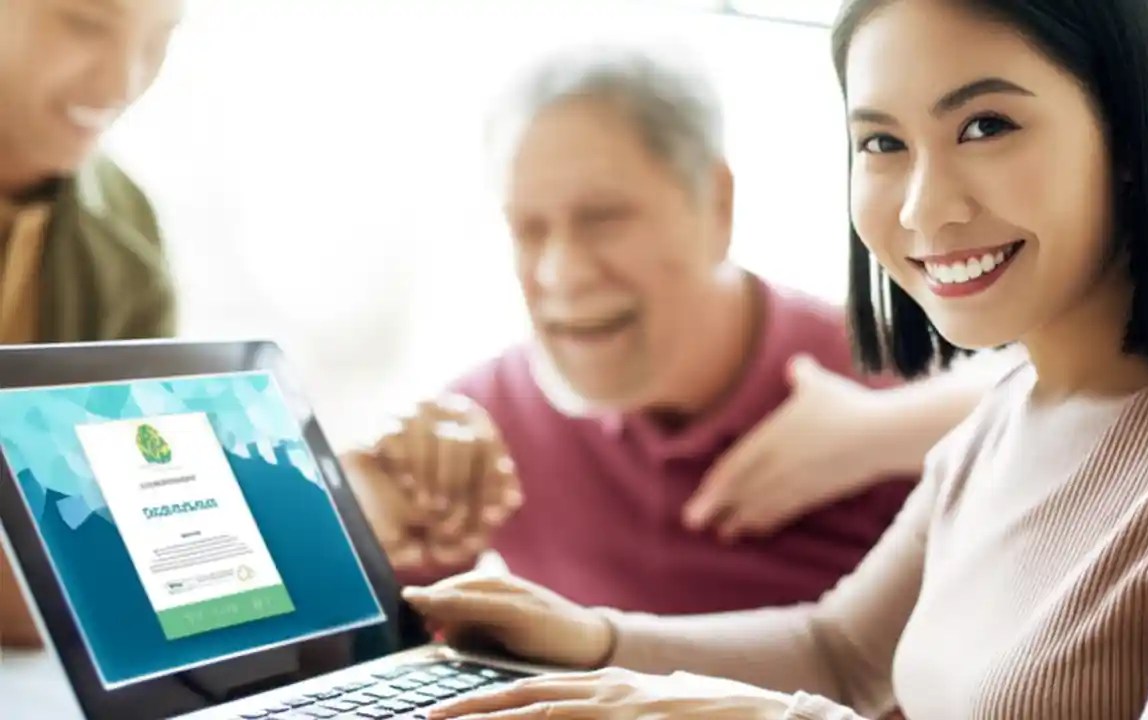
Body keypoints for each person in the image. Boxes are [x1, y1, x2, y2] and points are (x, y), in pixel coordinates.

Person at [397, 0, 1148, 718]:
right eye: (883, 144)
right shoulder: (1012, 408)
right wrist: (597, 640)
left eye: (985, 126)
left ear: (1130, 137)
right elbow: (844, 652)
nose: (925, 210)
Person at [344, 45, 1001, 615]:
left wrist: (886, 435)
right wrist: (366, 509)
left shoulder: (886, 384)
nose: (561, 273)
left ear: (717, 205)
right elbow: (332, 652)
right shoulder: (483, 426)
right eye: (529, 228)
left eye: (603, 219)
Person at [0, 0, 184, 648]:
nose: (122, 84)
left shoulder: (127, 230)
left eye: (161, 37)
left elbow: (132, 525)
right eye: (84, 23)